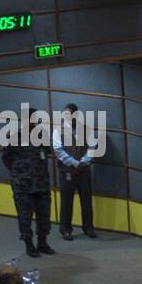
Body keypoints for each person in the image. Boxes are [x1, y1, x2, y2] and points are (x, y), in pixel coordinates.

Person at [2, 106, 54, 257]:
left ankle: (43, 242)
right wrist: (19, 172)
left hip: (41, 183)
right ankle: (29, 244)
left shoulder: (41, 135)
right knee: (25, 217)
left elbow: (47, 151)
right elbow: (6, 158)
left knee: (44, 214)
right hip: (23, 185)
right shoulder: (14, 136)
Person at [52, 103, 99, 240]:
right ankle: (65, 229)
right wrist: (75, 163)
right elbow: (58, 150)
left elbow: (92, 147)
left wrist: (84, 162)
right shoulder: (58, 130)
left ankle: (88, 227)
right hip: (67, 170)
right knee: (66, 201)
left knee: (86, 201)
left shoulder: (85, 129)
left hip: (84, 170)